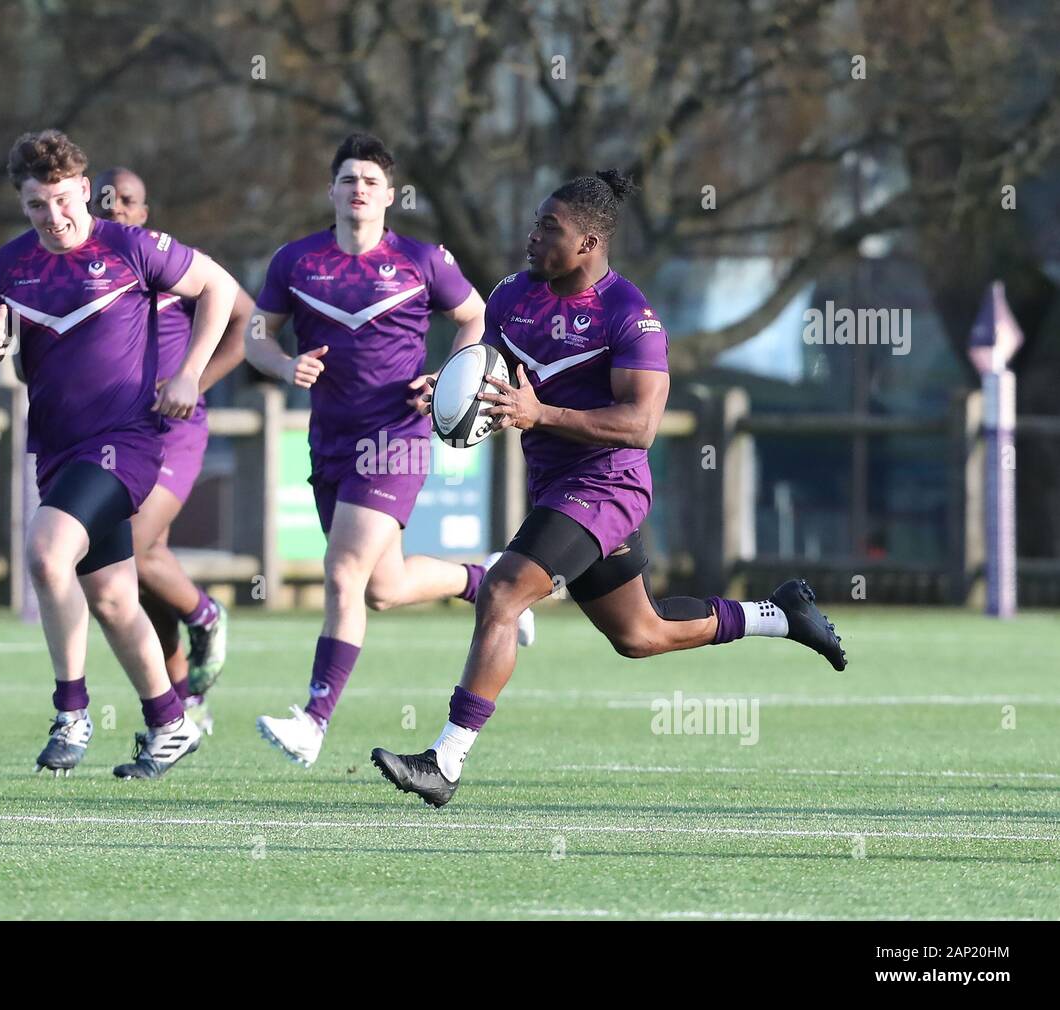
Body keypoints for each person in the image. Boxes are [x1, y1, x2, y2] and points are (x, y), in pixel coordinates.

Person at [371, 170, 847, 807]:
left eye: (550, 228)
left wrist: (543, 415)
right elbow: (488, 368)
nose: (533, 236)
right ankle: (781, 615)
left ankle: (445, 761)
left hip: (606, 488)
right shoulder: (513, 295)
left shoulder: (630, 316)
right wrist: (449, 385)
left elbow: (640, 425)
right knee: (640, 635)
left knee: (506, 593)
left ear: (589, 243)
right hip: (557, 488)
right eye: (537, 222)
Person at [246, 132, 535, 768]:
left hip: (395, 436)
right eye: (348, 179)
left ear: (390, 195)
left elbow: (474, 313)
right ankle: (483, 581)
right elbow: (256, 334)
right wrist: (282, 364)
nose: (359, 190)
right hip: (330, 441)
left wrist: (451, 373)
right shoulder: (296, 261)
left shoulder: (422, 261)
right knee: (382, 587)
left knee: (342, 573)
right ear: (331, 191)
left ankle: (313, 721)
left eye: (370, 181)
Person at [0, 130, 240, 779]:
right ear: (23, 204)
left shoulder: (128, 246)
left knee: (44, 550)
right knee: (116, 599)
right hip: (58, 450)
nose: (53, 217)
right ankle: (170, 723)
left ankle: (72, 712)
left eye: (62, 200)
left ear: (85, 191)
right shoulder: (10, 264)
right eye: (37, 205)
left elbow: (220, 291)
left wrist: (190, 374)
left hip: (126, 444)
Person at [91, 166, 252, 734]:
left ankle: (206, 616)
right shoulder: (86, 273)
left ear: (143, 211)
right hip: (112, 436)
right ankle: (183, 703)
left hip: (173, 431)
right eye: (104, 200)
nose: (115, 209)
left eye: (126, 201)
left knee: (124, 551)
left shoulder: (169, 264)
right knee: (135, 569)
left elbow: (246, 320)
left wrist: (194, 382)